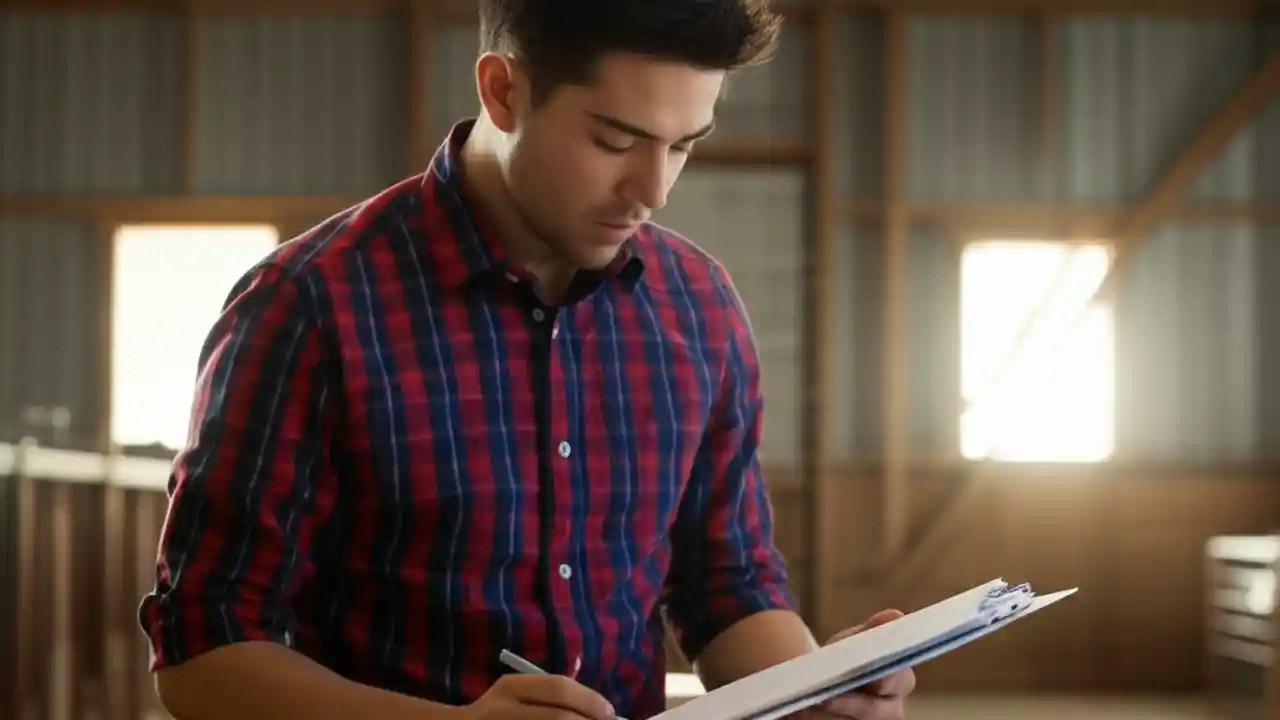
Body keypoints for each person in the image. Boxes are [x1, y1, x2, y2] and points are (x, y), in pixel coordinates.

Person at [138, 1, 916, 718]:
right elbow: (202, 653)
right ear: (503, 91)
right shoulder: (309, 304)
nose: (653, 190)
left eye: (682, 146)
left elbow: (729, 585)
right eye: (615, 140)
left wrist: (812, 689)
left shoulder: (699, 306)